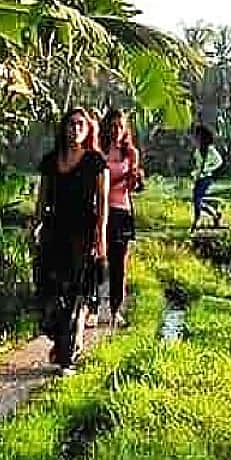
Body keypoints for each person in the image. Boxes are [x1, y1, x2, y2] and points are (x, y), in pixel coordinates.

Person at [34, 107, 108, 373]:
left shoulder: (95, 162)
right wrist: (36, 225)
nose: (75, 129)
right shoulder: (51, 161)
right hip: (54, 233)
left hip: (83, 233)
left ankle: (67, 355)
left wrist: (100, 239)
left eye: (81, 125)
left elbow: (102, 205)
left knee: (74, 292)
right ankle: (62, 340)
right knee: (49, 293)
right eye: (71, 124)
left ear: (88, 130)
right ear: (64, 128)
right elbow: (42, 199)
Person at [100, 109, 142, 327]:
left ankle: (115, 309)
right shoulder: (98, 150)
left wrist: (134, 179)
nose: (116, 130)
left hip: (121, 210)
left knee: (118, 263)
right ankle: (91, 305)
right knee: (96, 261)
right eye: (113, 126)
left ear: (125, 129)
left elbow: (132, 186)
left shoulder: (131, 153)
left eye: (120, 126)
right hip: (99, 210)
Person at [190, 124, 224, 230]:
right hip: (199, 177)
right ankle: (200, 219)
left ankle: (212, 215)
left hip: (206, 178)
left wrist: (208, 169)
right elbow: (198, 165)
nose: (195, 138)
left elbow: (219, 161)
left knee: (197, 200)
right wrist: (195, 173)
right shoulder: (198, 150)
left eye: (197, 136)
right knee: (196, 200)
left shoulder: (210, 150)